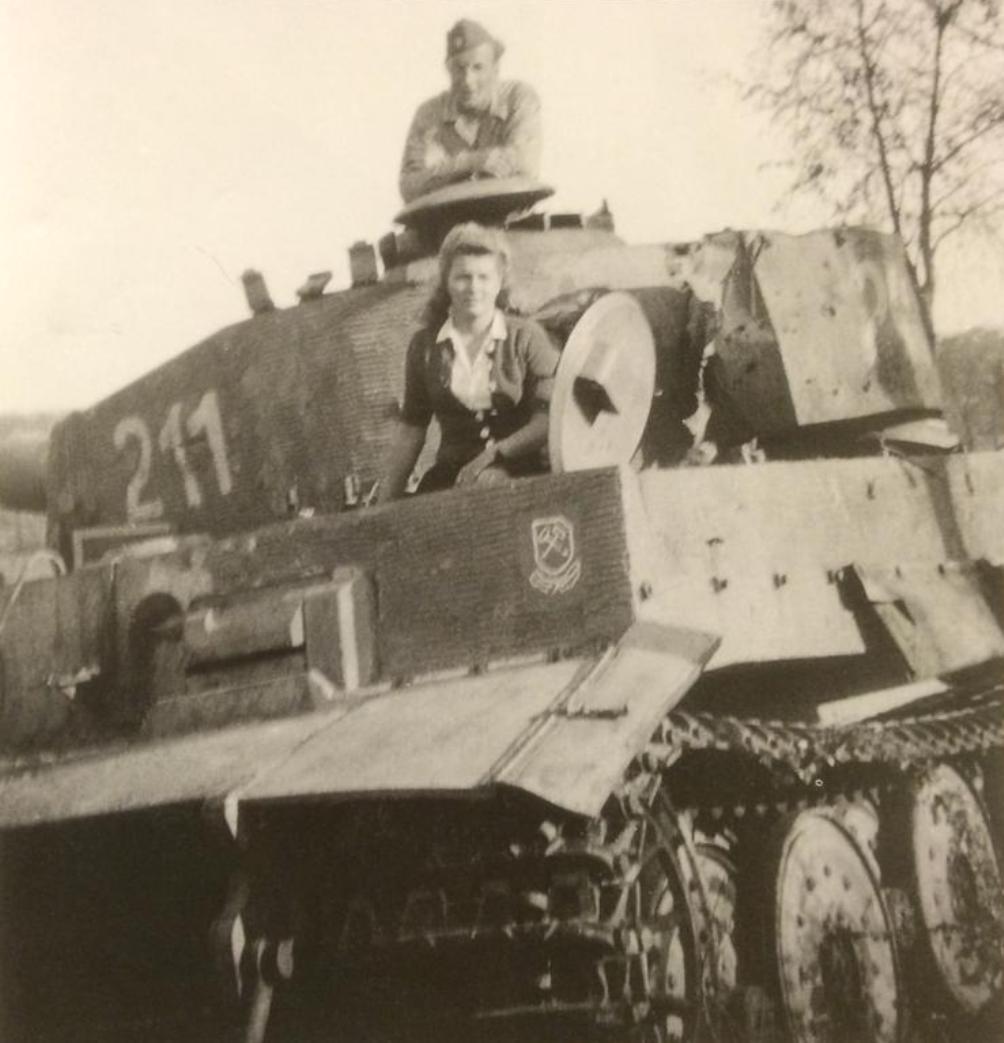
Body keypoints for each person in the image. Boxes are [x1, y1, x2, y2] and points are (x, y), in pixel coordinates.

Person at [378, 223, 558, 501]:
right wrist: (384, 503)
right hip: (452, 476)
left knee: (491, 487)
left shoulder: (527, 337)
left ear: (499, 282)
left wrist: (494, 454)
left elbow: (549, 418)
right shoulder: (425, 347)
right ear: (447, 281)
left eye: (484, 277)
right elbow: (412, 429)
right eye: (463, 277)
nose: (474, 288)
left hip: (522, 470)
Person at [398, 18, 541, 203]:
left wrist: (443, 173)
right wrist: (469, 163)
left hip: (509, 221)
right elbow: (409, 186)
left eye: (478, 68)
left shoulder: (518, 99)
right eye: (459, 69)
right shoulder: (429, 114)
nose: (467, 80)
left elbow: (524, 167)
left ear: (495, 69)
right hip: (443, 224)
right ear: (448, 71)